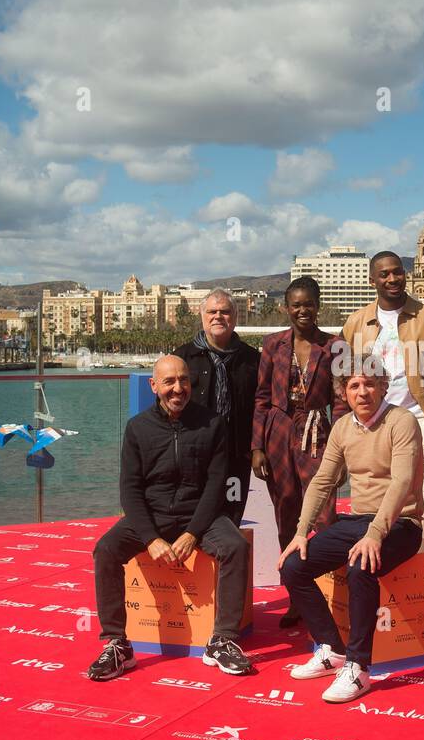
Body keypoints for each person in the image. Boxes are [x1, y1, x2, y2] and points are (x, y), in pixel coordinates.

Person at [87, 354, 254, 680]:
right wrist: (150, 538)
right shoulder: (138, 428)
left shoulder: (212, 424)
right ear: (154, 386)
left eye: (184, 380)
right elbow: (130, 490)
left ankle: (222, 640)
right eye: (169, 382)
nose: (178, 389)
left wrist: (192, 533)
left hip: (200, 517)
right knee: (105, 549)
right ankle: (117, 645)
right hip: (152, 515)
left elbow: (215, 485)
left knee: (236, 546)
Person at [278, 355, 423, 703]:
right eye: (354, 385)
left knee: (362, 566)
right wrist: (301, 532)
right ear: (344, 391)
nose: (362, 391)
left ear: (383, 387)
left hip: (402, 523)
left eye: (370, 383)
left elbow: (402, 480)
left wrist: (375, 534)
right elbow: (322, 480)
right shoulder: (343, 427)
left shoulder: (402, 422)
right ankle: (331, 648)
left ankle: (358, 668)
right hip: (358, 521)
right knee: (293, 566)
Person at [251, 276, 347, 628]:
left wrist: (339, 446)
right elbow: (261, 397)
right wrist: (256, 447)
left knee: (323, 515)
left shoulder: (336, 346)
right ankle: (298, 597)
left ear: (318, 305)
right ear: (286, 307)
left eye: (309, 303)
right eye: (296, 304)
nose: (302, 310)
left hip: (316, 430)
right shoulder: (272, 344)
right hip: (277, 430)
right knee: (286, 510)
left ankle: (332, 595)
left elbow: (341, 400)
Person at [338, 251, 424, 543]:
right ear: (372, 279)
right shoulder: (356, 323)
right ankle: (370, 559)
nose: (392, 279)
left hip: (417, 423)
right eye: (385, 274)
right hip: (371, 424)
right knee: (369, 495)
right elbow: (341, 376)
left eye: (397, 272)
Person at [173, 289, 261, 526]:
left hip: (236, 456)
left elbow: (262, 408)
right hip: (193, 456)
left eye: (225, 312)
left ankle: (228, 562)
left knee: (231, 519)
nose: (218, 317)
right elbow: (166, 409)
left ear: (235, 316)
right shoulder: (183, 358)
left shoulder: (253, 360)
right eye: (212, 311)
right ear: (202, 316)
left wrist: (257, 449)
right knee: (192, 519)